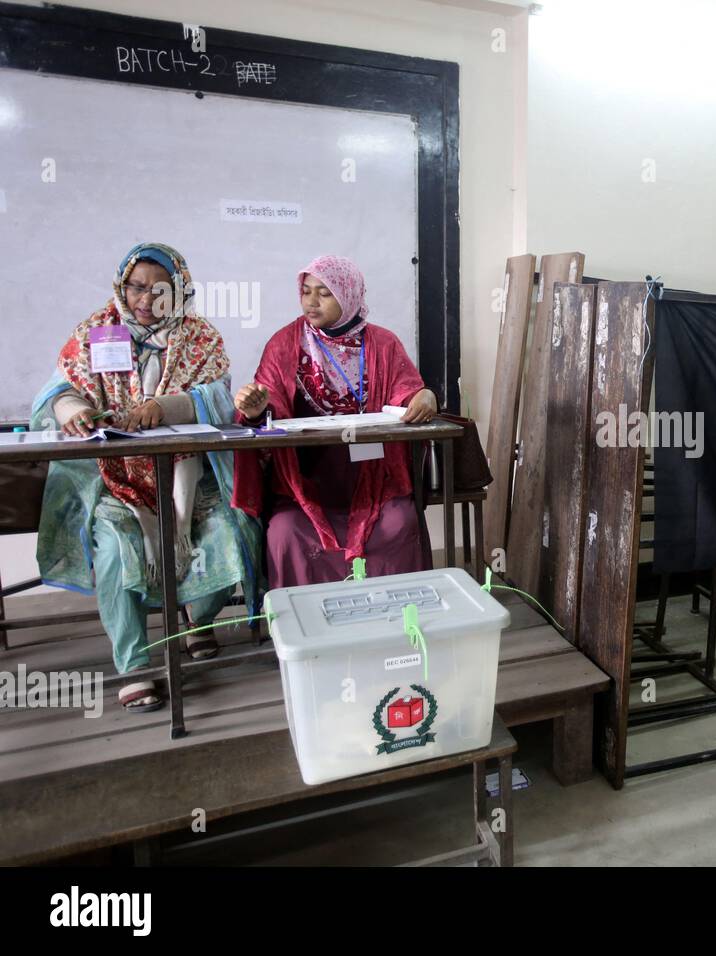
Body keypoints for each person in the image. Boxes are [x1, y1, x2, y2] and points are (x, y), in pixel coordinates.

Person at [31, 242, 262, 712]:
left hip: (188, 479)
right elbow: (60, 387)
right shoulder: (98, 330)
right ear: (122, 285)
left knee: (233, 533)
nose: (145, 299)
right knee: (118, 551)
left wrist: (167, 407)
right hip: (118, 482)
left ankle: (197, 619)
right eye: (136, 286)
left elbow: (220, 399)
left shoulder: (201, 337)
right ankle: (136, 664)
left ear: (178, 290)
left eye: (159, 289)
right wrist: (72, 409)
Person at [232, 255, 439, 589]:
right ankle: (306, 630)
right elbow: (268, 397)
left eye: (324, 293)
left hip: (373, 477)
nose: (311, 302)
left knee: (400, 522)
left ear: (348, 294)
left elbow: (407, 392)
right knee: (286, 532)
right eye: (306, 291)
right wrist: (256, 409)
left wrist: (425, 396)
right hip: (307, 483)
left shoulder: (383, 343)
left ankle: (397, 617)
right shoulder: (285, 343)